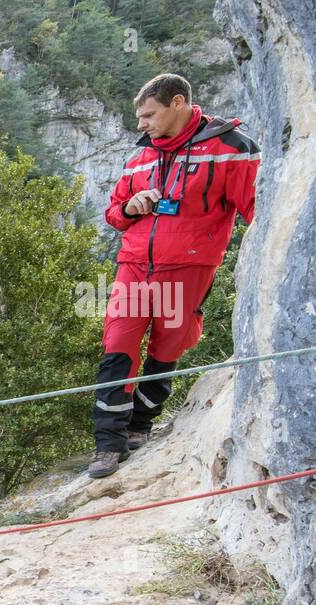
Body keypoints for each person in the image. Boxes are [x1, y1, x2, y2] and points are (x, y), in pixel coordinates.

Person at [90, 72, 259, 479]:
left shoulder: (233, 149)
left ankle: (140, 427)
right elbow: (114, 213)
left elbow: (257, 211)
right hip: (134, 266)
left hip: (189, 268)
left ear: (178, 103)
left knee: (167, 350)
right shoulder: (139, 155)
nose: (141, 124)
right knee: (118, 345)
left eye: (149, 115)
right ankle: (107, 446)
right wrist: (131, 207)